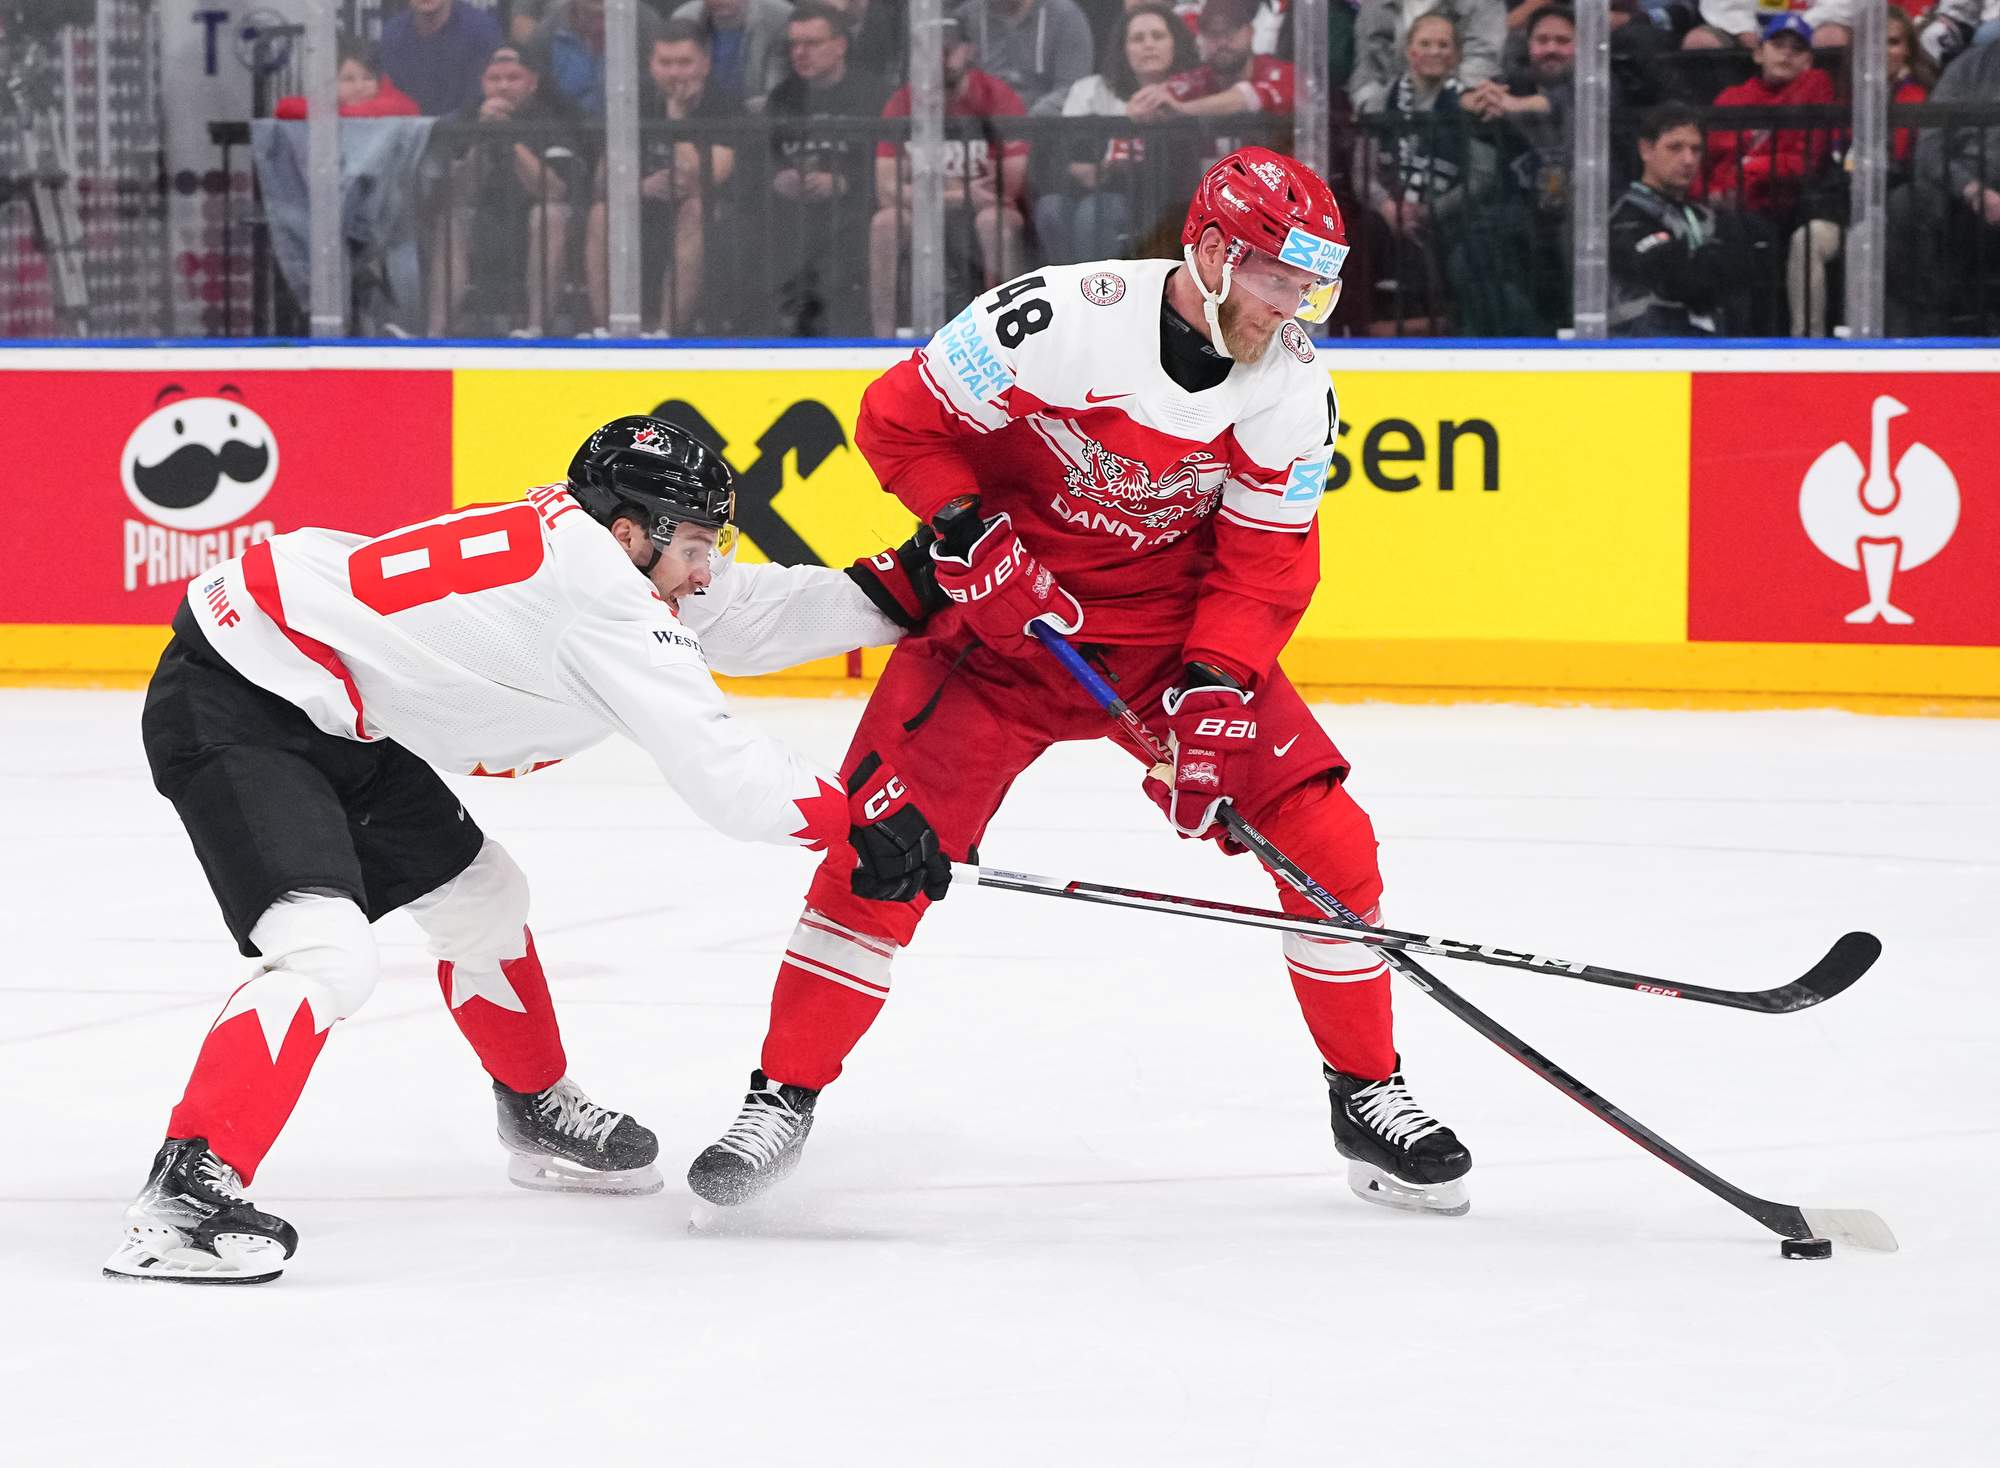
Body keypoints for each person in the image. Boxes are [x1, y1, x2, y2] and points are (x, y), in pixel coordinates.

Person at [683, 147, 1475, 1223]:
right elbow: (895, 419)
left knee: (1327, 842)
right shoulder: (1060, 321)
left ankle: (1365, 1093)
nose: (1294, 309)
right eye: (1276, 280)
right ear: (1205, 251)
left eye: (1310, 288)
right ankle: (779, 1096)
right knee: (877, 856)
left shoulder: (1290, 385)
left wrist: (1213, 695)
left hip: (1160, 645)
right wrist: (964, 533)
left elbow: (1265, 561)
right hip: (994, 639)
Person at [103, 416, 954, 1284]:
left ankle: (535, 1108)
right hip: (238, 699)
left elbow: (736, 614)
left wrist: (894, 595)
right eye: (697, 544)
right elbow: (727, 776)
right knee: (326, 953)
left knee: (483, 900)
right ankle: (181, 1202)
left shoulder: (598, 551)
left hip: (323, 691)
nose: (706, 569)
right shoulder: (606, 602)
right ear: (630, 533)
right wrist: (863, 824)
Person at [870, 20, 1030, 334]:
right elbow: (886, 189)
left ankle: (1005, 334)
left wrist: (925, 189)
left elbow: (1008, 187)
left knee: (994, 221)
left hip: (981, 212)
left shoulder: (997, 96)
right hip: (928, 210)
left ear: (968, 50)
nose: (938, 58)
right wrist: (964, 193)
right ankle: (882, 338)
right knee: (885, 222)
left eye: (947, 48)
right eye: (928, 50)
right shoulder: (903, 101)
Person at [584, 23, 742, 333]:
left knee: (695, 209)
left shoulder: (725, 104)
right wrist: (639, 187)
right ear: (651, 65)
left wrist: (677, 122)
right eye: (665, 63)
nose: (674, 73)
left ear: (706, 64)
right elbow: (601, 181)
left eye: (684, 63)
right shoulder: (632, 102)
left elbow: (713, 177)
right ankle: (606, 330)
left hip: (711, 212)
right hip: (644, 204)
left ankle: (666, 331)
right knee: (601, 212)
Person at [1788, 7, 1934, 336]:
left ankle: (1862, 343)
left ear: (1908, 48)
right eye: (1872, 43)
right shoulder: (1846, 96)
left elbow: (1915, 167)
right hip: (1844, 207)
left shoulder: (1919, 97)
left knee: (1862, 242)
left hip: (1895, 214)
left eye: (1893, 42)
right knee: (1806, 240)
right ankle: (1806, 342)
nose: (1882, 52)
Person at [429, 43, 584, 337]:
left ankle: (535, 327)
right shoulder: (468, 119)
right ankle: (435, 333)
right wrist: (480, 141)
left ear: (533, 83)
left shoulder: (554, 118)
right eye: (494, 79)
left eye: (513, 78)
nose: (502, 86)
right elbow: (458, 194)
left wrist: (509, 139)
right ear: (482, 83)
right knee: (450, 218)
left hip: (542, 223)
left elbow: (554, 190)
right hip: (488, 223)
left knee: (547, 215)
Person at [1351, 12, 1489, 331]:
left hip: (1448, 220)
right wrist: (1387, 207)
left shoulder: (1470, 104)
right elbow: (1362, 170)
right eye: (1425, 43)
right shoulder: (1380, 101)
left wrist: (1428, 212)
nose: (1435, 51)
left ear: (1456, 55)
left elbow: (1482, 177)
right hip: (1385, 216)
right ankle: (1359, 328)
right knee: (1360, 235)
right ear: (1410, 51)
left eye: (1443, 44)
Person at [1035, 2, 1198, 264]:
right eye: (1137, 38)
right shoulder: (1091, 90)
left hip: (1160, 200)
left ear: (1175, 43)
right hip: (1092, 189)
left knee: (1095, 212)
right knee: (1051, 209)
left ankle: (1101, 298)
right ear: (1123, 48)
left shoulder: (1194, 92)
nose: (1148, 45)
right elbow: (1068, 155)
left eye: (1158, 36)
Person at [765, 2, 891, 334]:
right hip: (791, 216)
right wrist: (778, 179)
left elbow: (891, 162)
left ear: (840, 46)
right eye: (794, 44)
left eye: (812, 43)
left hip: (855, 212)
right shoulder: (782, 98)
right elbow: (761, 158)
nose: (800, 53)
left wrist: (843, 184)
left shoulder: (875, 95)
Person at [1450, 4, 1575, 334]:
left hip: (1583, 220)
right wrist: (1470, 102)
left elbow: (1563, 101)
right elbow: (1471, 103)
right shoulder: (1513, 84)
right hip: (1524, 220)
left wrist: (1512, 106)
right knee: (1471, 251)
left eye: (1562, 40)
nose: (1551, 48)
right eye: (1542, 39)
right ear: (1528, 44)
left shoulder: (1599, 86)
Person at [1609, 101, 1750, 334]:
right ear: (1646, 150)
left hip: (1709, 349)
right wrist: (1711, 263)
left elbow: (1741, 276)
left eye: (1695, 150)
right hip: (1642, 352)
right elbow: (1674, 280)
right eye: (1675, 148)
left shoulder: (1705, 215)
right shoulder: (1625, 214)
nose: (1688, 160)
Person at [1890, 35, 2000, 333]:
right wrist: (1972, 189)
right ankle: (1920, 346)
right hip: (1967, 196)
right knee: (1906, 203)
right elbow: (1930, 148)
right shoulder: (1969, 67)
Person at [1703, 16, 1838, 220]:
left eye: (1797, 49)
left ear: (1808, 61)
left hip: (1777, 210)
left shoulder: (1815, 86)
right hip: (1719, 206)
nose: (1787, 53)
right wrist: (1712, 193)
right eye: (1778, 45)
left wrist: (1749, 167)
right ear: (1758, 54)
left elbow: (1804, 161)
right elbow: (1708, 157)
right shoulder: (1732, 97)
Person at [1131, 0, 1295, 121]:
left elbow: (1248, 97)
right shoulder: (1195, 81)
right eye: (1213, 34)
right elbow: (1159, 97)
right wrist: (1142, 106)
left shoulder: (1284, 73)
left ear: (1250, 32)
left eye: (1230, 31)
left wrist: (1182, 110)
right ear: (1201, 37)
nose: (1222, 42)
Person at [1347, 0, 1505, 115]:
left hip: (1461, 117)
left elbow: (1480, 65)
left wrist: (1448, 100)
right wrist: (1378, 107)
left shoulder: (1484, 3)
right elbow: (1366, 70)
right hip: (1388, 117)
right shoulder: (1374, 5)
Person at [952, 0, 1097, 112]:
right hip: (981, 134)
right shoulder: (965, 19)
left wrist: (1024, 124)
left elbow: (1074, 89)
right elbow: (950, 88)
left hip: (1046, 132)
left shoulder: (1065, 16)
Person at [535, 0, 671, 114]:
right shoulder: (548, 31)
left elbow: (658, 90)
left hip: (636, 128)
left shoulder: (646, 23)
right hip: (565, 132)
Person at [378, 0, 504, 116]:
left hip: (466, 130)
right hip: (408, 131)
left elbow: (479, 99)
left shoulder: (481, 30)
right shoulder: (393, 33)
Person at [672, 0, 797, 109]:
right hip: (700, 117)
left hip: (762, 121)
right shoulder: (685, 19)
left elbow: (778, 90)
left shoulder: (779, 16)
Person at [273, 35, 422, 118]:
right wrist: (333, 112)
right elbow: (284, 107)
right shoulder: (330, 99)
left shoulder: (392, 98)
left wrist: (335, 116)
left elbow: (408, 108)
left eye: (368, 78)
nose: (359, 87)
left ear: (379, 80)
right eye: (348, 79)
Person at [1684, 0, 1851, 52]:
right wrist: (1743, 29)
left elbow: (1842, 5)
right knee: (1700, 41)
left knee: (1831, 38)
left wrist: (1798, 27)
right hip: (1743, 31)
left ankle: (1830, 123)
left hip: (1813, 27)